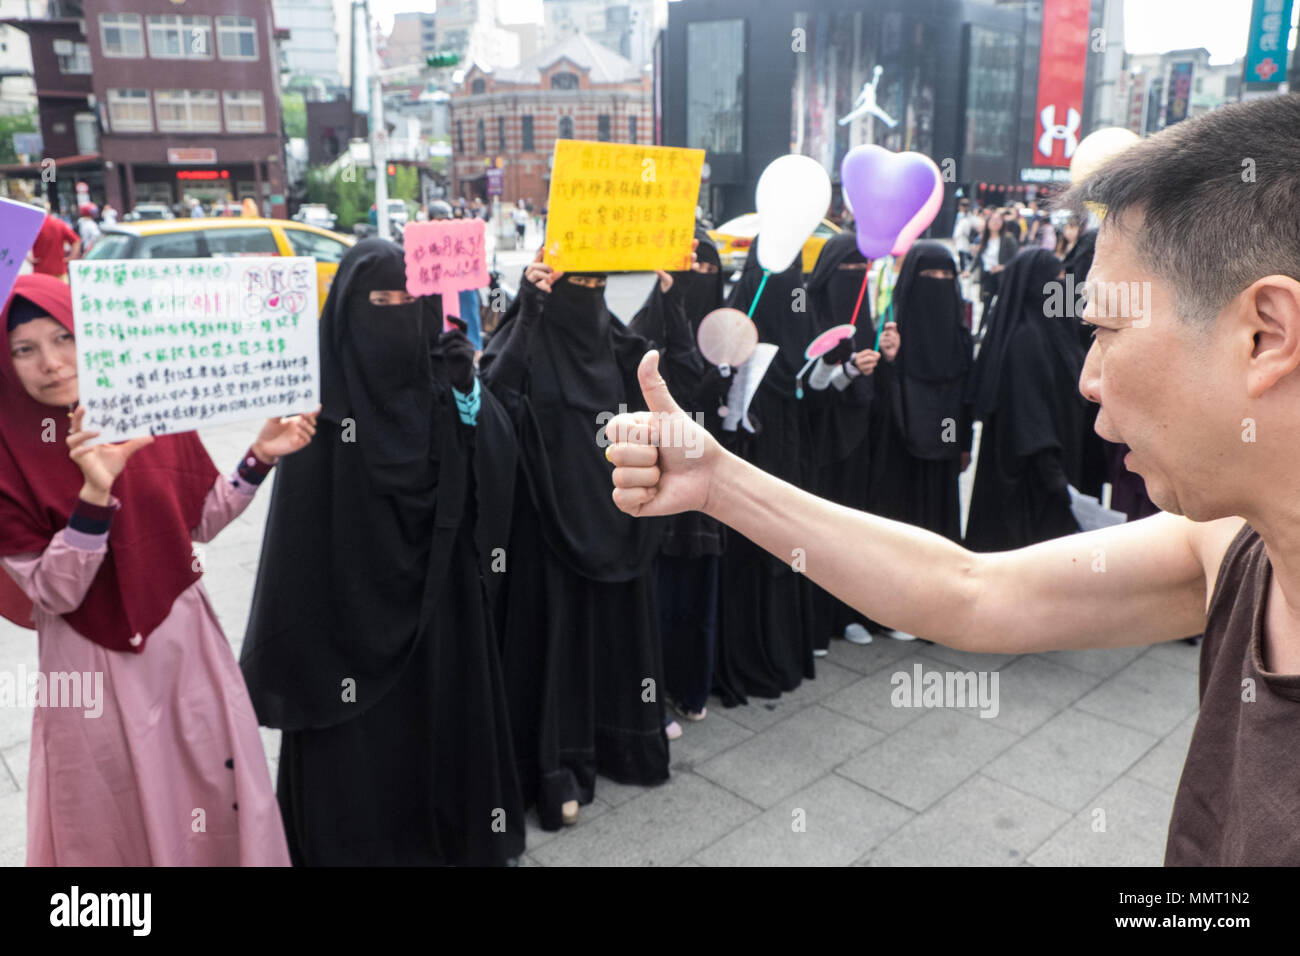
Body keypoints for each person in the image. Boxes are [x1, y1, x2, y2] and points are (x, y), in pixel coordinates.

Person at [605, 91, 1300, 868]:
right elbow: (970, 590)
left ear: (1264, 333)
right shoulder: (1235, 547)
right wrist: (718, 482)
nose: (1088, 378)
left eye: (1105, 328)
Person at [0, 274, 316, 865]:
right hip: (87, 660)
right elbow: (55, 592)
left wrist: (259, 456)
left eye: (64, 337)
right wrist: (95, 492)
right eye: (24, 349)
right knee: (108, 804)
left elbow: (199, 521)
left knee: (207, 783)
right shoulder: (6, 457)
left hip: (182, 639)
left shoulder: (145, 408)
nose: (50, 362)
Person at [239, 239, 524, 866]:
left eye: (408, 300)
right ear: (347, 311)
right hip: (344, 616)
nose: (395, 314)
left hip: (437, 601)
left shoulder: (440, 380)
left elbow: (493, 469)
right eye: (379, 301)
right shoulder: (319, 407)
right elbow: (300, 539)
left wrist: (469, 396)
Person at [480, 249, 702, 830]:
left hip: (616, 519)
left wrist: (672, 299)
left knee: (614, 638)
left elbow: (679, 380)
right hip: (549, 526)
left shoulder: (618, 343)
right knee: (557, 645)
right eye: (575, 283)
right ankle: (558, 769)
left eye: (597, 283)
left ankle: (625, 742)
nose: (588, 293)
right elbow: (493, 401)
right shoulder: (528, 336)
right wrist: (527, 310)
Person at [711, 236, 817, 705]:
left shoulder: (787, 305)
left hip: (775, 453)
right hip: (752, 453)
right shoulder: (738, 316)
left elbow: (810, 370)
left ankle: (771, 651)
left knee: (773, 545)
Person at [628, 230, 727, 722]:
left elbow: (694, 387)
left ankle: (690, 685)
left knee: (693, 587)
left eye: (710, 271)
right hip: (648, 471)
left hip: (699, 477)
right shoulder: (638, 322)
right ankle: (653, 694)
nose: (701, 278)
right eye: (694, 267)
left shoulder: (717, 324)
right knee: (653, 588)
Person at [963, 248, 1083, 552]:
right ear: (1033, 287)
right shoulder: (1026, 340)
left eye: (1063, 278)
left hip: (1055, 466)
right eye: (1053, 280)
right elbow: (1030, 417)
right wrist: (1054, 474)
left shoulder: (1055, 332)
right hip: (1031, 477)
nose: (1062, 286)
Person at [801, 233, 881, 649]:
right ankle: (815, 618)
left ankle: (846, 611)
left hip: (859, 437)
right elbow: (805, 389)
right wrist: (843, 371)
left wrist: (884, 356)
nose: (852, 278)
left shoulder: (867, 312)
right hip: (817, 443)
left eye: (858, 271)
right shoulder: (808, 313)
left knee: (855, 526)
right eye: (844, 271)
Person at [867, 241, 973, 548]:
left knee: (941, 529)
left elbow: (967, 396)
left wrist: (963, 444)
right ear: (914, 278)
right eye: (930, 274)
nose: (938, 281)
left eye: (946, 275)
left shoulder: (960, 335)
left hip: (947, 443)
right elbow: (877, 400)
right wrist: (889, 361)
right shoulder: (891, 332)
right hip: (901, 443)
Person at [971, 209, 1019, 323]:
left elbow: (1016, 259)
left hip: (1002, 276)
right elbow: (978, 258)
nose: (995, 222)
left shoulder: (1008, 238)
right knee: (986, 305)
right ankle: (980, 332)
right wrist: (969, 271)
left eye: (998, 220)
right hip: (988, 276)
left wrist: (1002, 267)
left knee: (1003, 305)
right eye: (993, 220)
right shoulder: (984, 239)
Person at [27, 212, 80, 278]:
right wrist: (71, 257)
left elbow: (21, 244)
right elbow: (76, 241)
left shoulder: (34, 225)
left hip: (40, 271)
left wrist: (29, 258)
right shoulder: (59, 224)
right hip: (59, 270)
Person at [952, 198, 975, 273]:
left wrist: (955, 236)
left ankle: (963, 268)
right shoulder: (969, 215)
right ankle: (964, 268)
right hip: (965, 237)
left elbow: (958, 226)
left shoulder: (962, 215)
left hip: (963, 236)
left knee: (963, 253)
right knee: (964, 252)